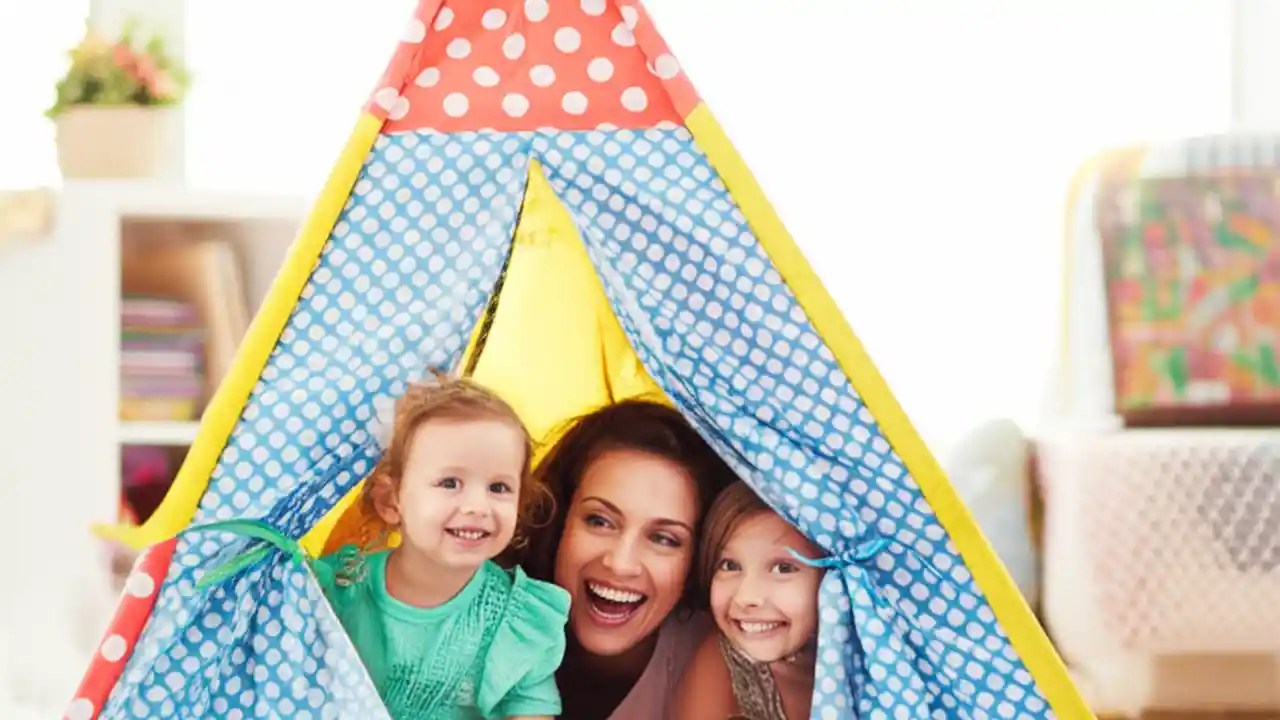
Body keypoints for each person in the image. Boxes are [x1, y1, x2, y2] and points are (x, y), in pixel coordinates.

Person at [314, 373, 570, 720]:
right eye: (450, 482)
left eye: (498, 488)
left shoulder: (519, 619)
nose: (478, 506)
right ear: (392, 500)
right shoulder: (335, 591)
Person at [521, 399, 738, 720]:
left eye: (664, 539)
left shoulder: (720, 665)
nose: (620, 563)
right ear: (559, 518)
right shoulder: (481, 614)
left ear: (698, 560)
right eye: (599, 521)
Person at [672, 481, 823, 720]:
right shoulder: (719, 668)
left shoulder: (874, 663)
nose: (746, 597)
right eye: (730, 566)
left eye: (783, 568)